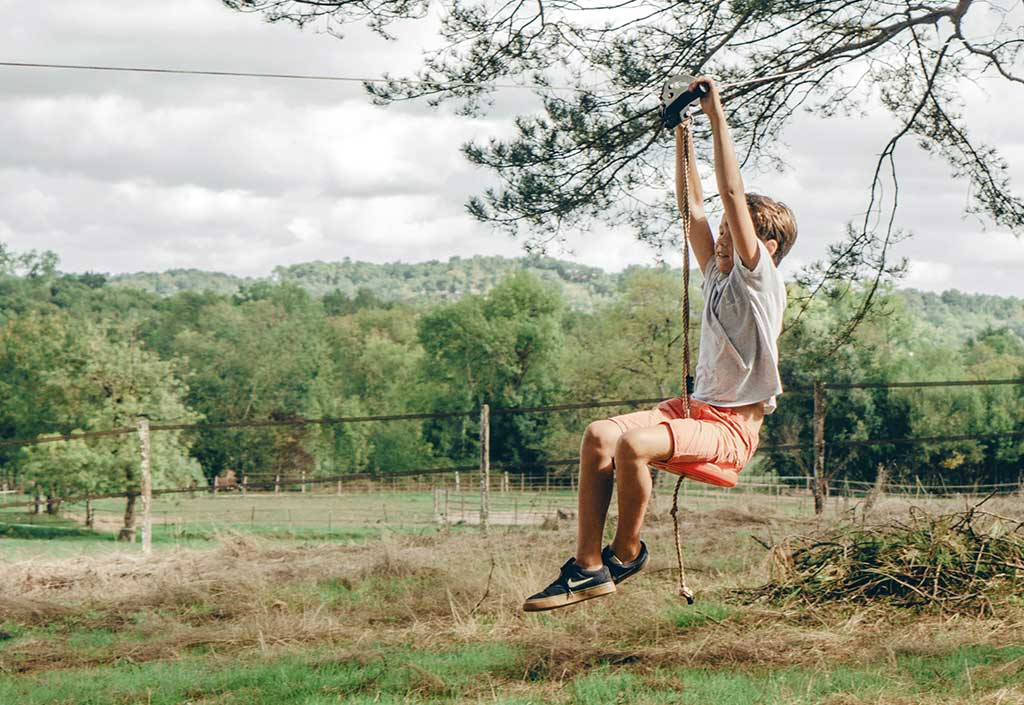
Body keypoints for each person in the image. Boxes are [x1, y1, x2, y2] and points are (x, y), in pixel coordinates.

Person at [523, 77, 798, 612]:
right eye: (722, 233)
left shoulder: (757, 278)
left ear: (765, 248)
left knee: (634, 447)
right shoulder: (719, 274)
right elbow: (693, 209)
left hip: (730, 431)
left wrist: (717, 114)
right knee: (600, 435)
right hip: (693, 411)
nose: (721, 237)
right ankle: (587, 567)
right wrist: (682, 130)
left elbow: (732, 194)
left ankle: (626, 554)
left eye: (734, 233)